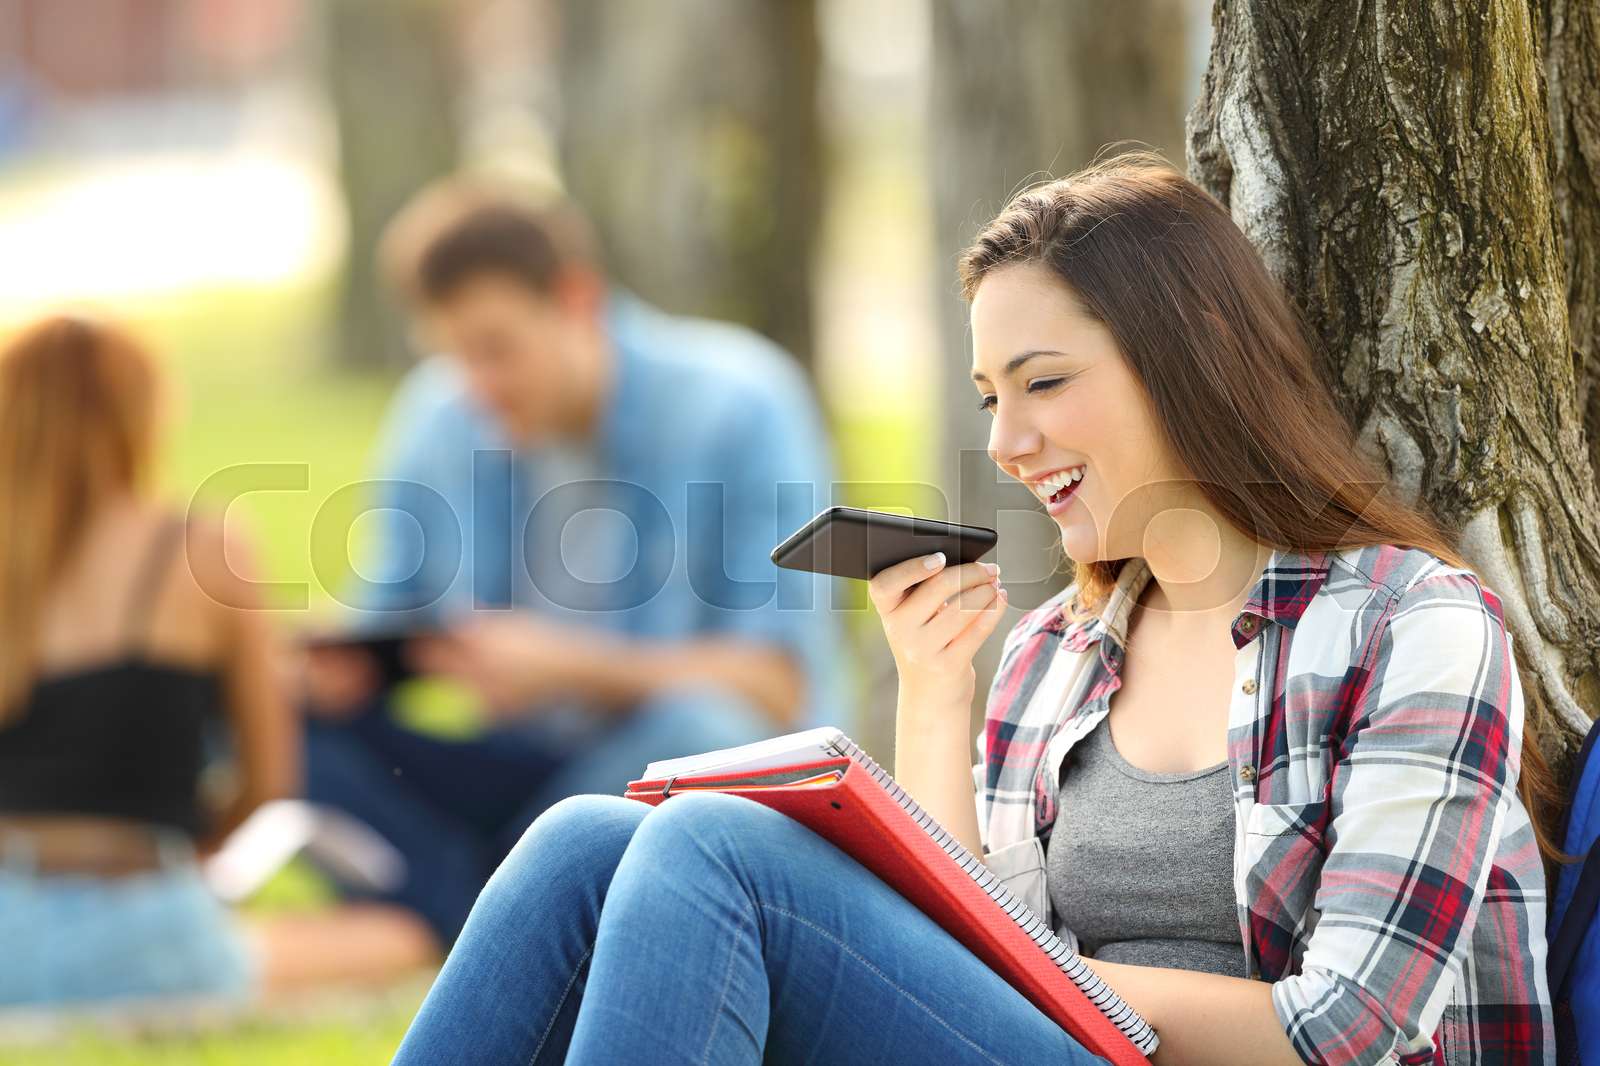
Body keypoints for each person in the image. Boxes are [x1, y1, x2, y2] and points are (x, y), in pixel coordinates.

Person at [387, 151, 1562, 1065]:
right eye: (991, 397)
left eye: (1044, 382)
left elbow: (1348, 1024)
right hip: (1063, 1038)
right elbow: (955, 979)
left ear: (1191, 354)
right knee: (583, 843)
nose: (1005, 443)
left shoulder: (1412, 626)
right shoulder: (1058, 654)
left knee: (717, 849)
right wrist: (935, 698)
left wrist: (1024, 970)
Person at [301, 178, 846, 949]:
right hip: (527, 771)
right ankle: (494, 908)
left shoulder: (739, 404)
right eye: (453, 357)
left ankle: (471, 910)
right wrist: (329, 672)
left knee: (711, 727)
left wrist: (566, 668)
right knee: (286, 726)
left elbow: (775, 688)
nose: (477, 386)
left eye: (496, 350)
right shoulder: (440, 415)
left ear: (576, 300)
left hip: (659, 768)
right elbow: (383, 616)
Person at [0, 315, 290, 1008]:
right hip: (151, 923)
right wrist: (185, 851)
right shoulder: (205, 548)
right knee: (395, 936)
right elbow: (268, 784)